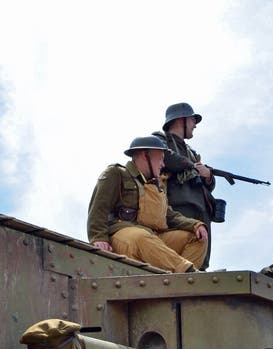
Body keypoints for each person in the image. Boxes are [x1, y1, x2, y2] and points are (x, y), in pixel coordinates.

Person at [87, 135, 208, 273]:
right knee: (141, 237)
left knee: (197, 237)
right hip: (124, 236)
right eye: (161, 158)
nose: (163, 164)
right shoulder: (116, 173)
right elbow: (99, 208)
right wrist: (99, 237)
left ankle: (177, 283)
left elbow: (170, 215)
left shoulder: (156, 186)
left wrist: (195, 225)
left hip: (153, 240)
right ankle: (188, 274)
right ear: (145, 155)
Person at [156, 102, 216, 269]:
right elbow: (167, 157)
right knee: (176, 253)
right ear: (180, 120)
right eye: (192, 120)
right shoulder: (161, 140)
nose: (194, 125)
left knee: (201, 257)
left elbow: (205, 185)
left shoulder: (192, 152)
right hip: (178, 206)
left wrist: (208, 175)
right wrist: (192, 165)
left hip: (201, 209)